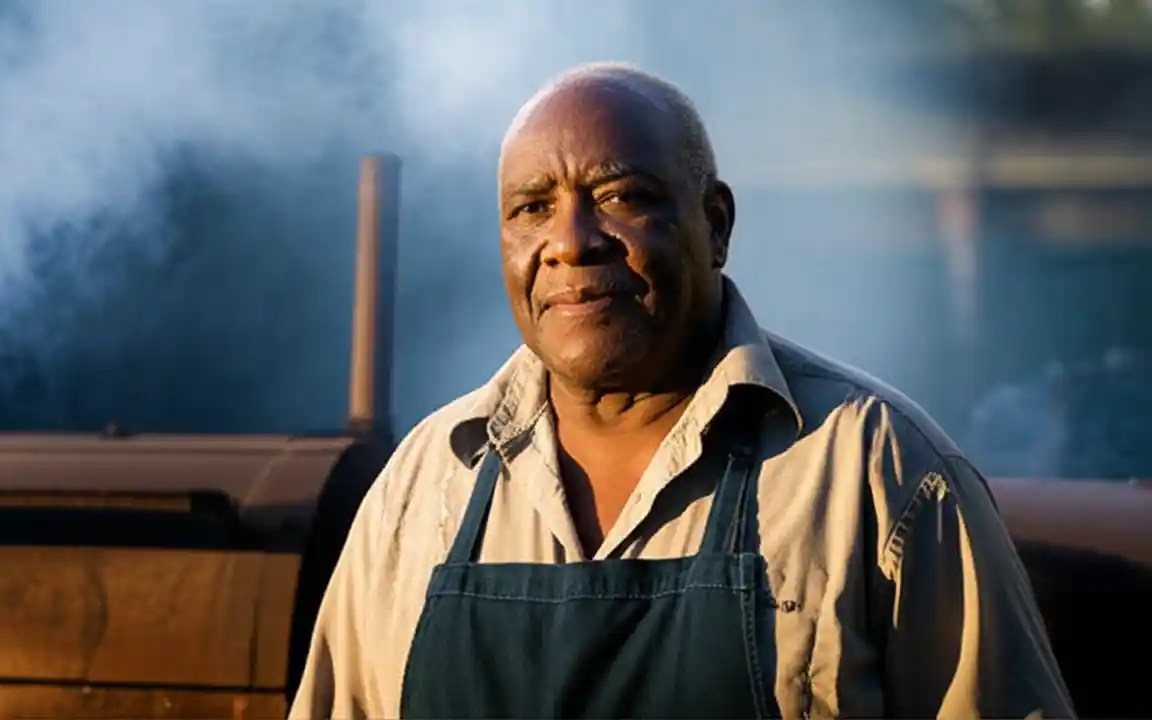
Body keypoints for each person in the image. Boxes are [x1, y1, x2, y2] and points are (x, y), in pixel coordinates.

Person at [290, 62, 1074, 719]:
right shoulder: (422, 487)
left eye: (622, 196)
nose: (571, 241)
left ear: (717, 225)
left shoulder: (880, 473)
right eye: (532, 209)